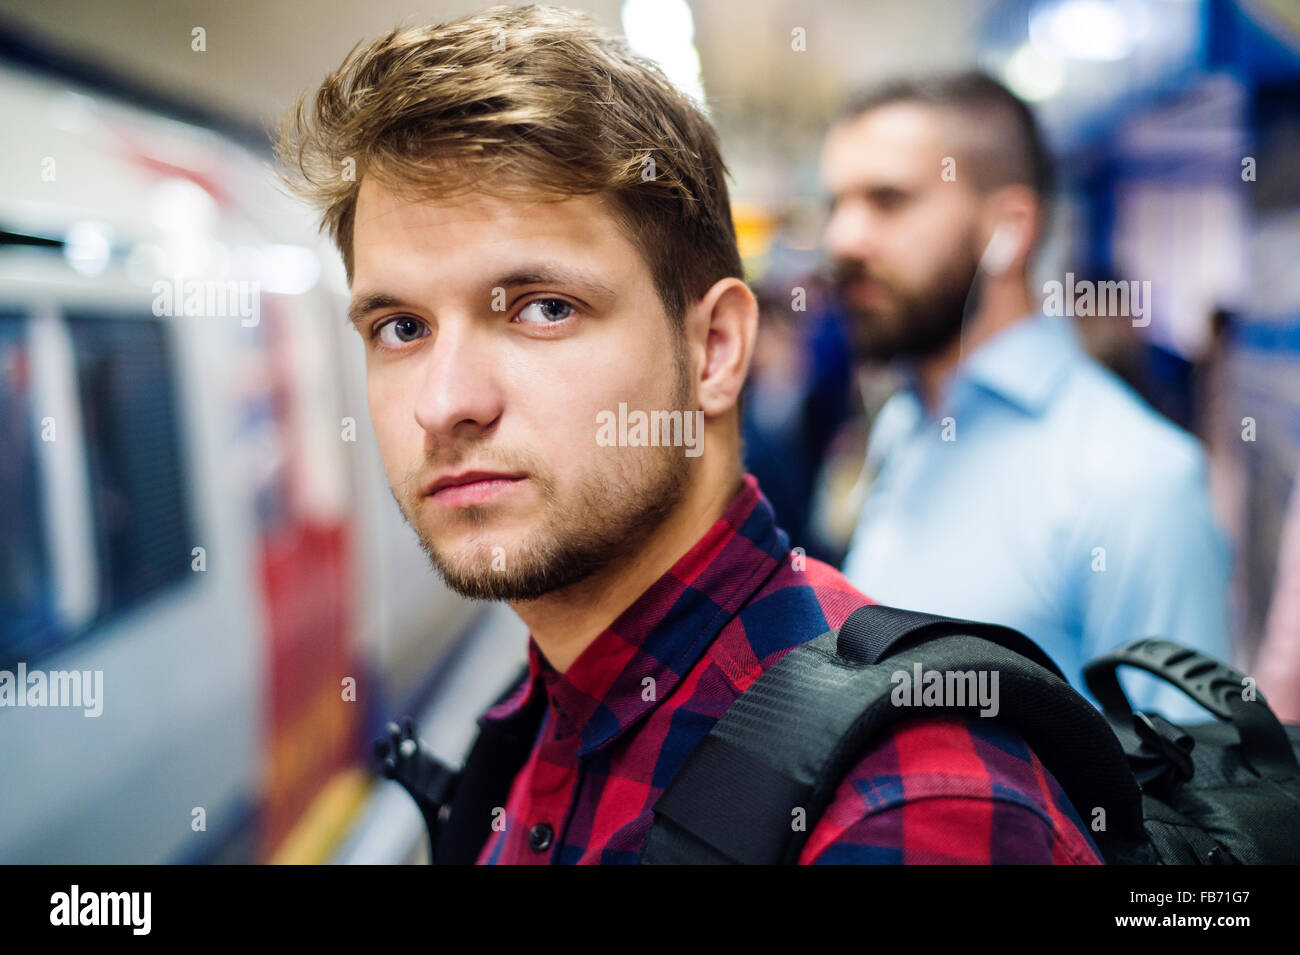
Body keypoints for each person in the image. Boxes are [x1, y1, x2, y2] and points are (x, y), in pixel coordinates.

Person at [277, 6, 1101, 864]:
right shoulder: (536, 723)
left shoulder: (912, 807)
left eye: (545, 308)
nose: (443, 402)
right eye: (400, 328)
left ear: (714, 350)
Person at [821, 72, 1232, 722]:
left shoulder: (1136, 478)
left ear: (1008, 231)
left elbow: (1197, 803)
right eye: (836, 204)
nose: (843, 239)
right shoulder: (906, 423)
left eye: (888, 200)